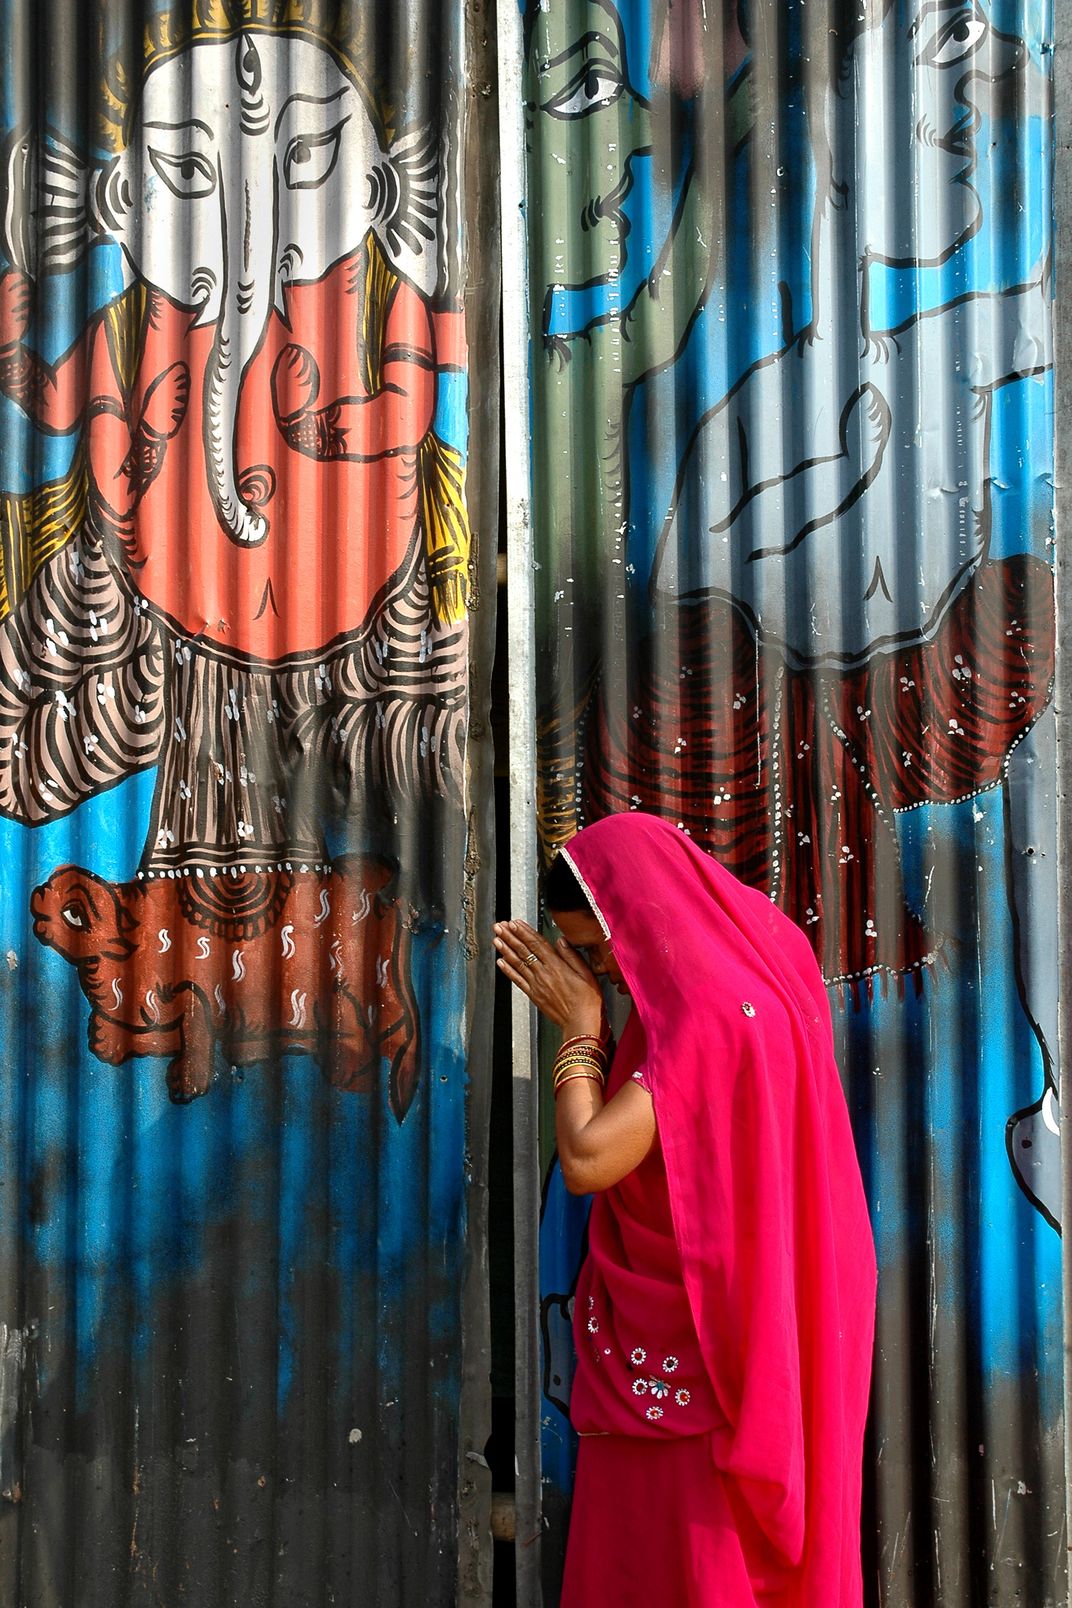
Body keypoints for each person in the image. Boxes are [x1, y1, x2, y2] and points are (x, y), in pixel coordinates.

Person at [493, 811, 876, 1606]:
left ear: (640, 917)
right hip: (748, 1327)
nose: (604, 973)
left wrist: (581, 1028)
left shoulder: (707, 1016)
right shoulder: (770, 966)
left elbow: (592, 1158)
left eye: (599, 951)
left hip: (703, 1359)